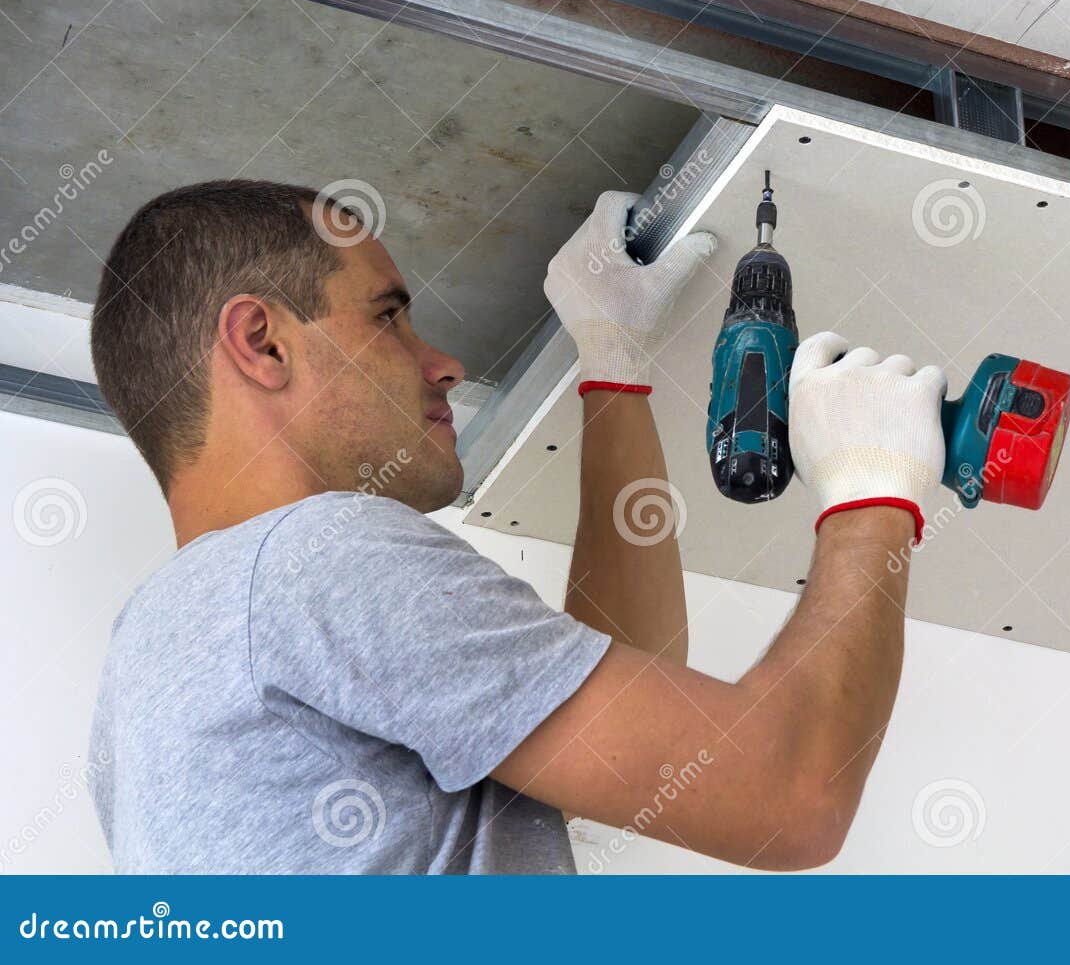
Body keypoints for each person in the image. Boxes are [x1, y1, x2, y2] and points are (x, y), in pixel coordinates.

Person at [85, 180, 947, 873]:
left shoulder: (156, 656)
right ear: (262, 343)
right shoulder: (317, 557)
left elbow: (621, 708)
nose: (445, 364)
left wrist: (613, 362)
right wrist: (871, 494)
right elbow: (790, 795)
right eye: (386, 316)